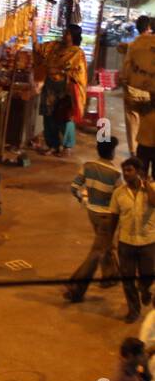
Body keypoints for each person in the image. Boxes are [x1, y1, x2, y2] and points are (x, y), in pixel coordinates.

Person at [65, 136, 122, 302]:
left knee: (105, 244)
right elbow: (118, 200)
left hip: (92, 212)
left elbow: (74, 188)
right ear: (112, 152)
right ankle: (76, 286)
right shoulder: (115, 174)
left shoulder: (87, 166)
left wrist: (83, 201)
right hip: (107, 216)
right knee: (97, 251)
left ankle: (110, 275)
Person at [111, 156, 155, 322]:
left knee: (148, 275)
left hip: (148, 242)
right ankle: (133, 310)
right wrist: (109, 240)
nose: (126, 174)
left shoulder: (152, 189)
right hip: (126, 243)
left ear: (140, 172)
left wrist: (146, 184)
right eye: (124, 171)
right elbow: (113, 217)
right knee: (127, 279)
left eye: (129, 170)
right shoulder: (119, 193)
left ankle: (145, 289)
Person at [35, 22, 87, 157]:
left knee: (65, 117)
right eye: (65, 32)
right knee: (49, 116)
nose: (65, 35)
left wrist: (62, 72)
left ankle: (67, 146)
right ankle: (52, 145)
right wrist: (32, 29)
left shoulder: (77, 53)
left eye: (68, 33)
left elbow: (79, 73)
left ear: (74, 36)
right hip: (50, 86)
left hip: (65, 89)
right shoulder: (54, 46)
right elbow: (38, 49)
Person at [119, 15, 152, 156]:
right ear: (149, 28)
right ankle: (145, 147)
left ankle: (133, 150)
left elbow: (126, 68)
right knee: (147, 119)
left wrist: (124, 81)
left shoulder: (133, 45)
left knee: (132, 120)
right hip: (149, 91)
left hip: (132, 89)